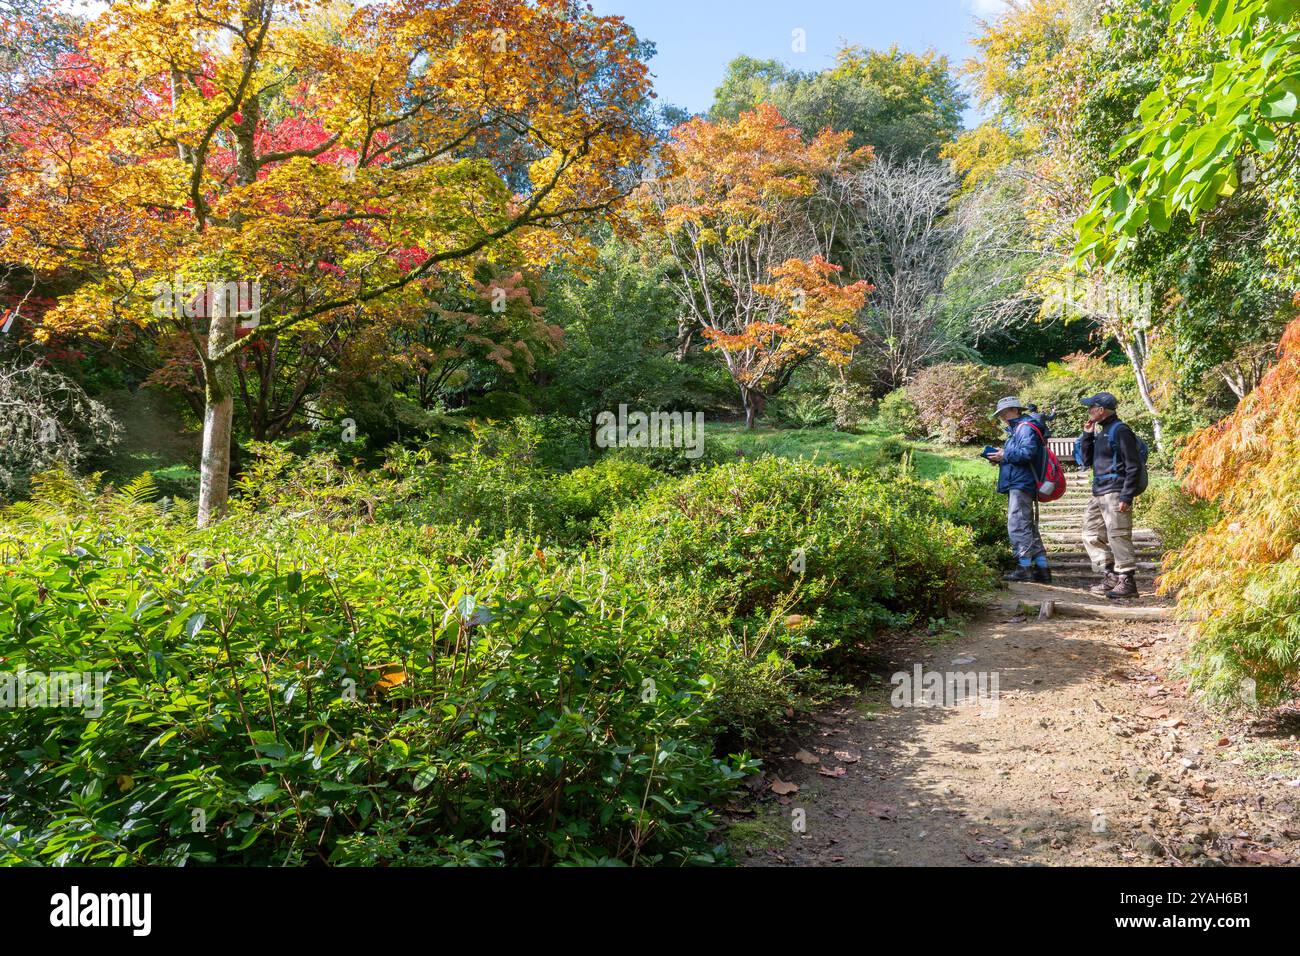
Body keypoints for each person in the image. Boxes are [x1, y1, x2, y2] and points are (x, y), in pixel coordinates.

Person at [1075, 392, 1143, 599]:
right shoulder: (1102, 431)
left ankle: (1127, 581)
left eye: (1091, 407)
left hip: (1115, 490)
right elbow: (1086, 461)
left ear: (1101, 410)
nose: (1088, 410)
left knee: (1118, 534)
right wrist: (1087, 435)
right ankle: (1110, 576)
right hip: (1098, 491)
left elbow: (1133, 465)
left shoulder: (1121, 430)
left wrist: (1127, 496)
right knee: (1090, 533)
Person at [987, 396, 1051, 583]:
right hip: (1021, 481)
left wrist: (1004, 455)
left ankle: (1024, 568)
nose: (1002, 417)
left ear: (1015, 410)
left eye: (1004, 413)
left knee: (1017, 524)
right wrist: (1000, 457)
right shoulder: (1021, 428)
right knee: (1027, 525)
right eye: (1000, 414)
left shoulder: (1024, 428)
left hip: (1021, 483)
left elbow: (1027, 453)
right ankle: (1042, 568)